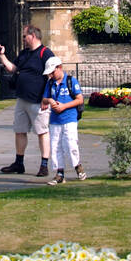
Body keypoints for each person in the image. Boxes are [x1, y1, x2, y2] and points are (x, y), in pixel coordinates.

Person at [0, 25, 53, 176]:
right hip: (22, 99)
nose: (23, 39)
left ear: (32, 36)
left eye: (24, 36)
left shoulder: (45, 53)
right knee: (19, 131)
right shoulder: (25, 53)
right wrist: (2, 55)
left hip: (38, 101)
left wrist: (46, 98)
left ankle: (44, 164)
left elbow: (53, 76)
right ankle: (19, 163)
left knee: (42, 131)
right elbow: (13, 68)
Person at [41, 56, 85, 185]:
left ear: (59, 68)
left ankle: (77, 166)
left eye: (53, 72)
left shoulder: (71, 81)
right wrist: (49, 101)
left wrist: (64, 106)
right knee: (55, 147)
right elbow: (44, 99)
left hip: (69, 118)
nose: (51, 75)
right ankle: (59, 173)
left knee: (70, 144)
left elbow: (79, 99)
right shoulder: (50, 83)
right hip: (55, 120)